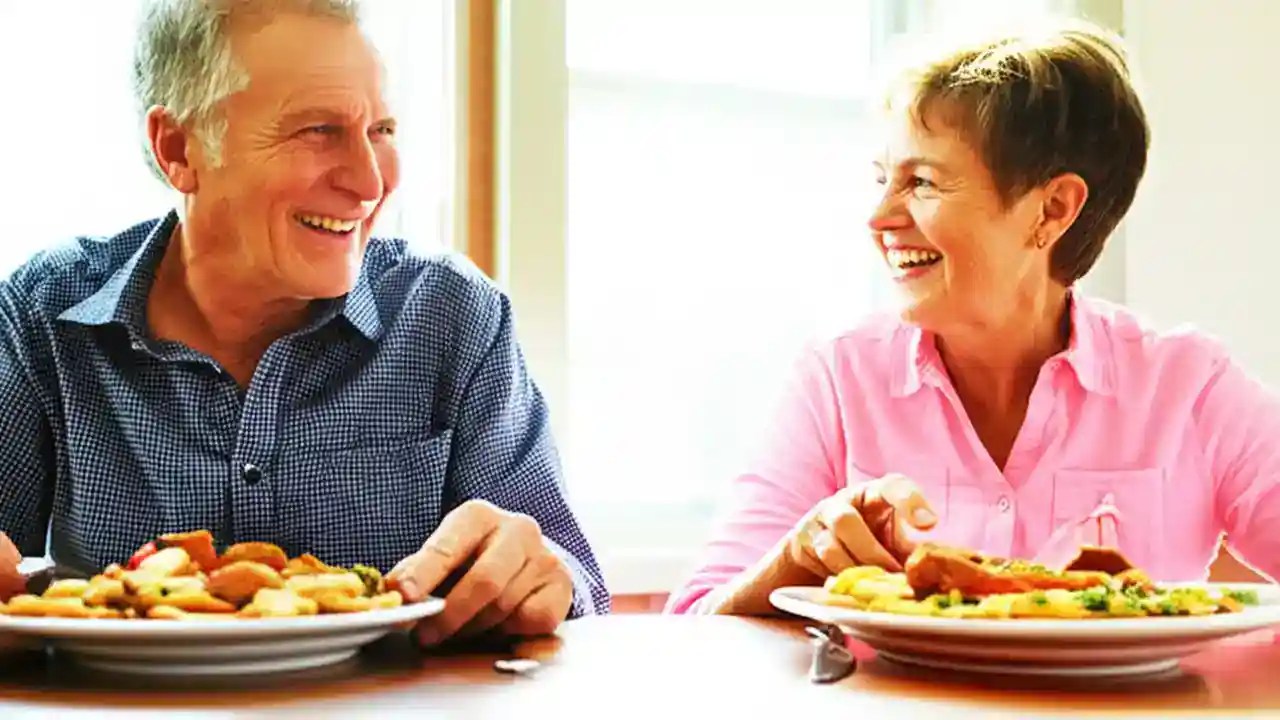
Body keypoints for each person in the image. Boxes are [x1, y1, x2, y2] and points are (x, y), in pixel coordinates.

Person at [0, 0, 609, 645]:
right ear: (178, 148)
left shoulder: (452, 315)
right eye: (318, 130)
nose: (370, 182)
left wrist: (542, 578)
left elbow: (570, 589)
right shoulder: (43, 317)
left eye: (382, 129)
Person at [667, 18, 1280, 616]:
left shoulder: (1189, 385)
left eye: (923, 182)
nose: (879, 217)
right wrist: (799, 555)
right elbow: (694, 629)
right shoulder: (838, 378)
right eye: (883, 179)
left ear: (1052, 209)